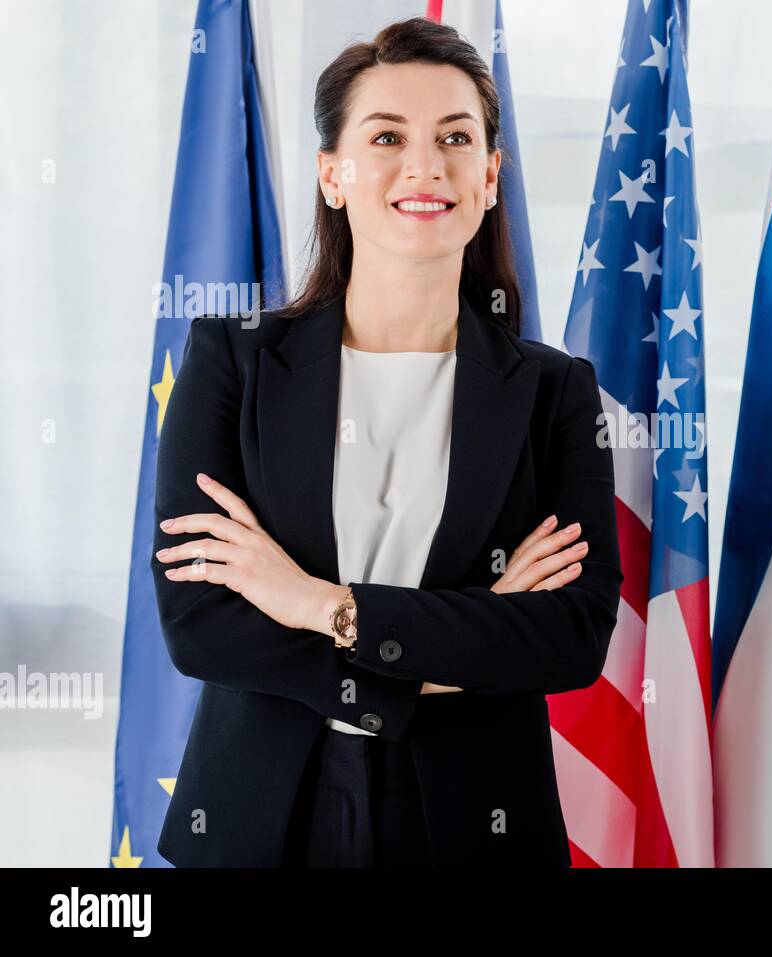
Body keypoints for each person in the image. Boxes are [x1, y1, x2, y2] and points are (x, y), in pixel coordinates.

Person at [150, 17, 621, 867]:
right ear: (332, 174)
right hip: (261, 818)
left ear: (489, 176)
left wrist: (314, 603)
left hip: (476, 822)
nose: (424, 164)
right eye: (387, 136)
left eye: (454, 137)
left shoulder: (556, 392)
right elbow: (200, 623)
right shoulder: (233, 360)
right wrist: (463, 645)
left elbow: (570, 637)